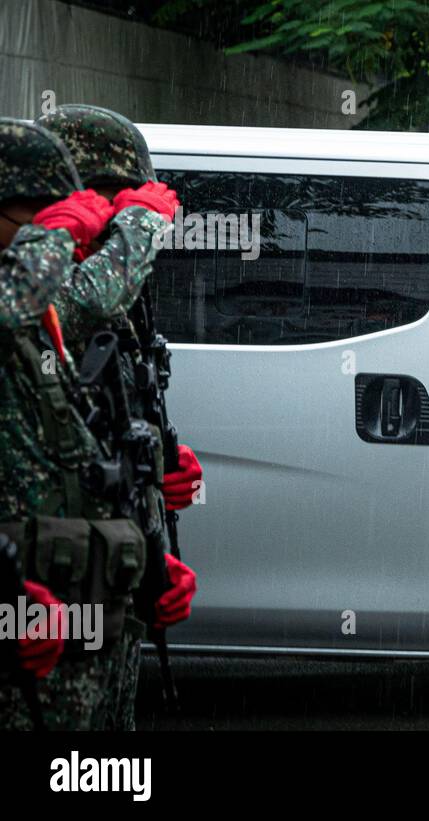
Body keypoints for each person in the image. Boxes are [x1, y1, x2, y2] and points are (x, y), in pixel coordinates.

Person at [36, 104, 199, 729]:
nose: (117, 212)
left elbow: (104, 407)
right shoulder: (33, 277)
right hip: (51, 574)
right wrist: (139, 227)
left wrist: (159, 463)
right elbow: (78, 308)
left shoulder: (118, 279)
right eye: (109, 197)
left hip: (110, 565)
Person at [0, 118, 143, 730]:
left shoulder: (36, 323)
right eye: (34, 219)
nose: (50, 236)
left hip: (68, 603)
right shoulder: (22, 299)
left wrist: (150, 560)